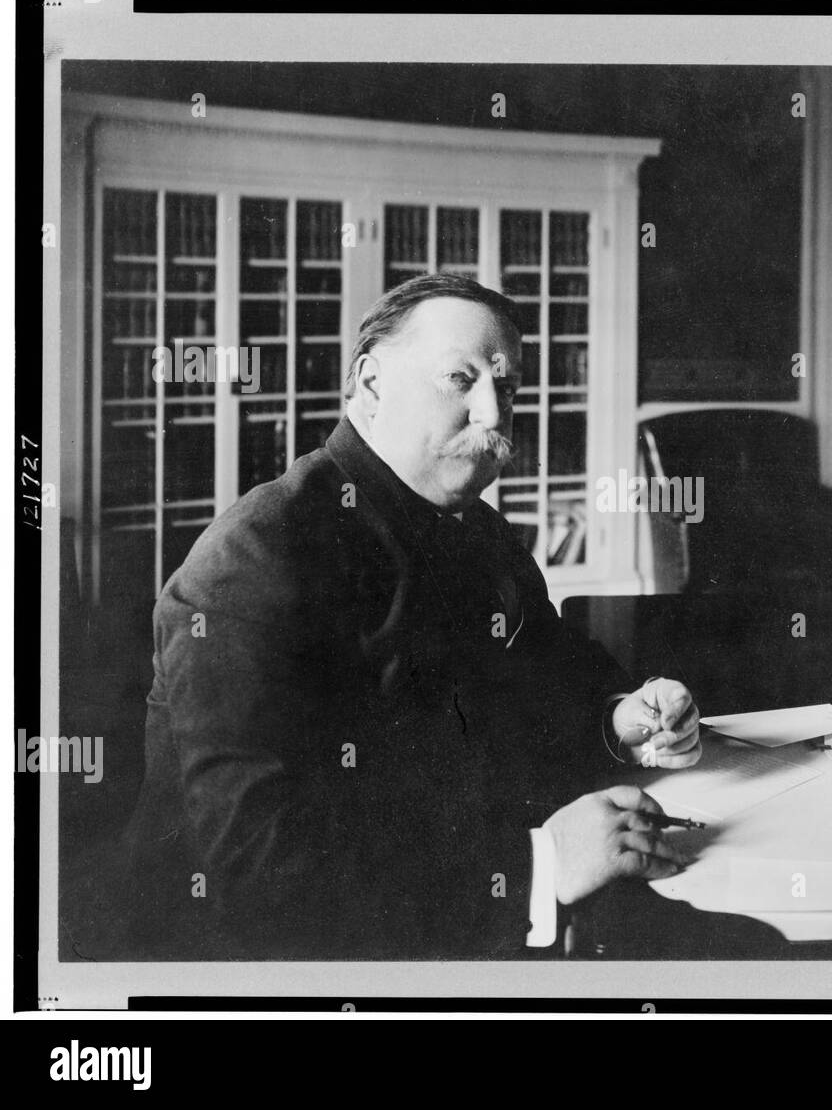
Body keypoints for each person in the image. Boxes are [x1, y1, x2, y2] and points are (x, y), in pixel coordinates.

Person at [118, 274, 731, 959]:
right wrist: (541, 863)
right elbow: (262, 870)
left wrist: (623, 718)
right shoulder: (257, 556)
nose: (495, 415)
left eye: (507, 388)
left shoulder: (483, 536)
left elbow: (555, 684)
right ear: (370, 384)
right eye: (459, 379)